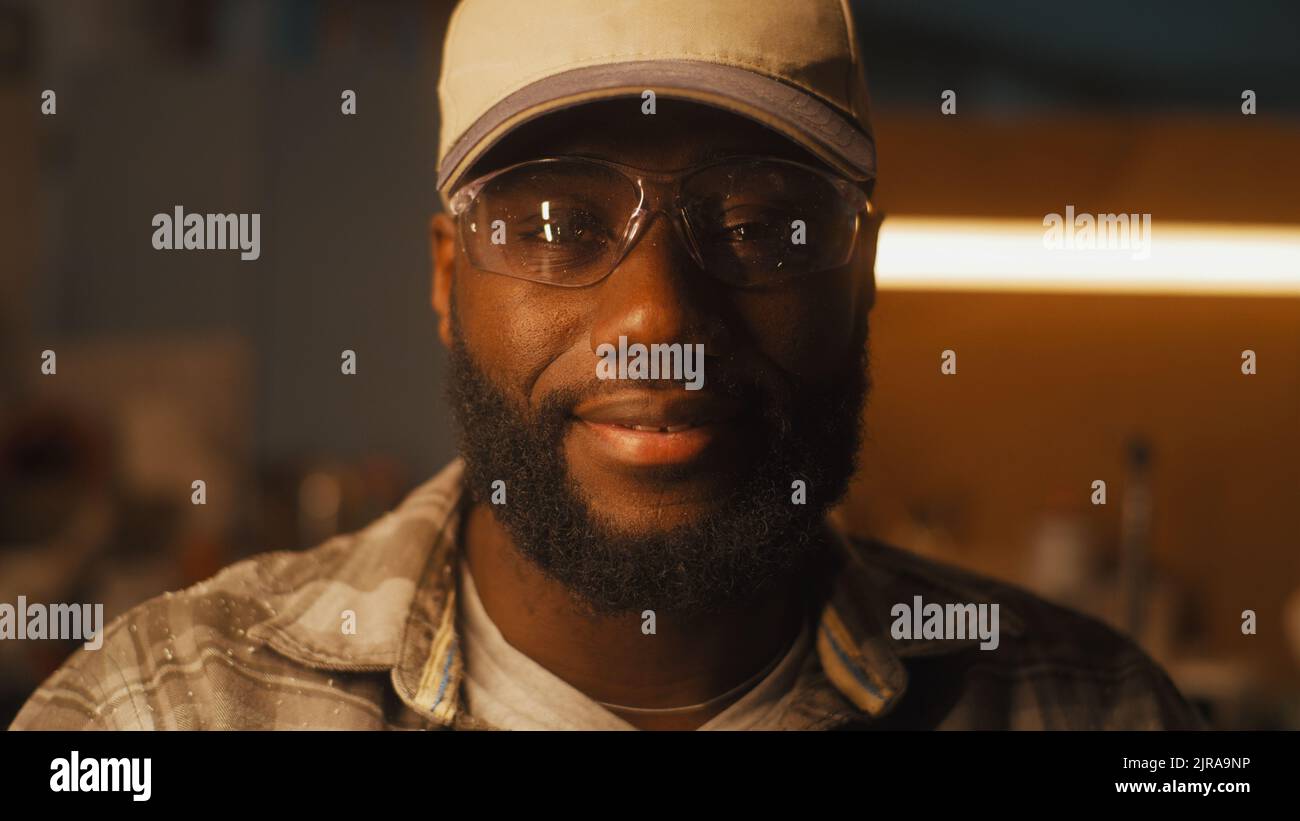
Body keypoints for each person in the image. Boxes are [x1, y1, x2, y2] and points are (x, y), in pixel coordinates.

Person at [10, 0, 1200, 731]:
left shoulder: (1093, 714)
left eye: (759, 224)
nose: (659, 316)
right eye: (553, 222)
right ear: (443, 278)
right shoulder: (169, 709)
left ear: (861, 272)